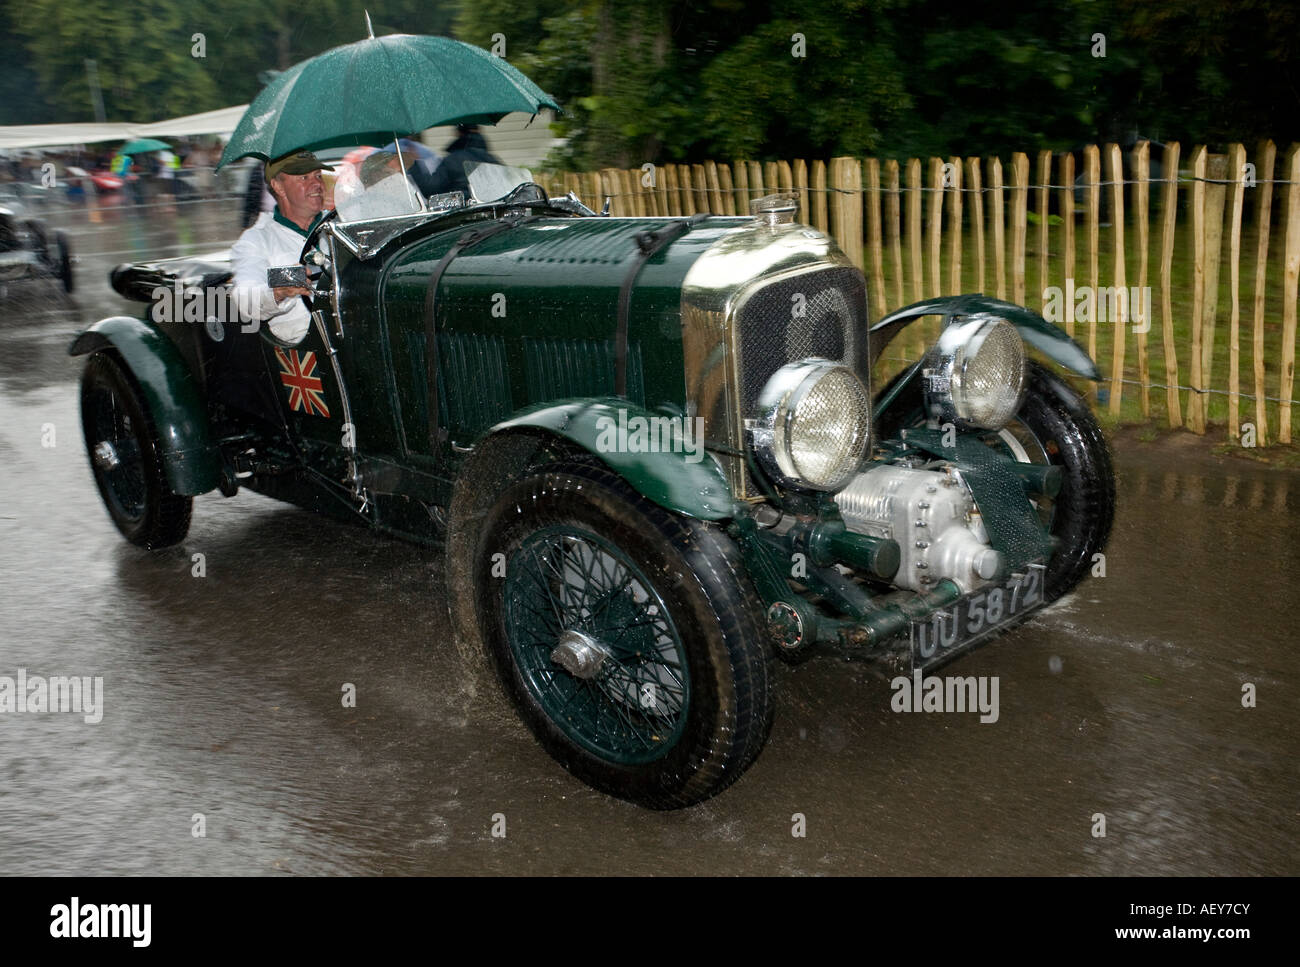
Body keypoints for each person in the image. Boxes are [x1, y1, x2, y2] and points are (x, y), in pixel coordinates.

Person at [229, 149, 334, 344]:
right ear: (278, 186)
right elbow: (244, 297)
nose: (317, 184)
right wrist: (278, 292)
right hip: (306, 347)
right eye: (304, 177)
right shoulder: (256, 239)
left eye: (318, 175)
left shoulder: (342, 222)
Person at [413, 124, 502, 200]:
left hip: (464, 213)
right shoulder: (493, 160)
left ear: (458, 132)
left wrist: (413, 165)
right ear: (478, 130)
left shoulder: (454, 159)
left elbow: (431, 188)